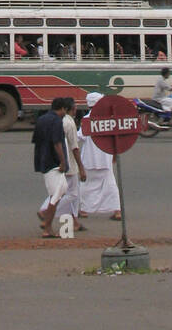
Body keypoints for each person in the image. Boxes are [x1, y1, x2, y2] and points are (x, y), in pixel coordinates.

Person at [38, 96, 87, 235]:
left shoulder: (54, 121)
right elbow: (74, 147)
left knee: (61, 191)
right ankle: (45, 212)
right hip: (67, 163)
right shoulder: (69, 123)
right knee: (71, 194)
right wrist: (81, 168)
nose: (76, 109)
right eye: (75, 107)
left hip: (55, 162)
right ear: (68, 109)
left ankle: (74, 222)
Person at [78, 92, 122, 221]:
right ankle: (117, 211)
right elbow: (115, 138)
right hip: (105, 158)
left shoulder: (87, 120)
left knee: (85, 185)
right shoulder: (109, 119)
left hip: (89, 159)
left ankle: (83, 210)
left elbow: (79, 137)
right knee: (110, 183)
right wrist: (114, 154)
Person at [33, 99, 69, 238]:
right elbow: (57, 143)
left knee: (62, 189)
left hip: (43, 160)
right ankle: (47, 228)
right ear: (63, 109)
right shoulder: (57, 121)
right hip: (53, 163)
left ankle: (47, 225)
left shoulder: (41, 119)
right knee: (56, 195)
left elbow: (36, 141)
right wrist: (62, 161)